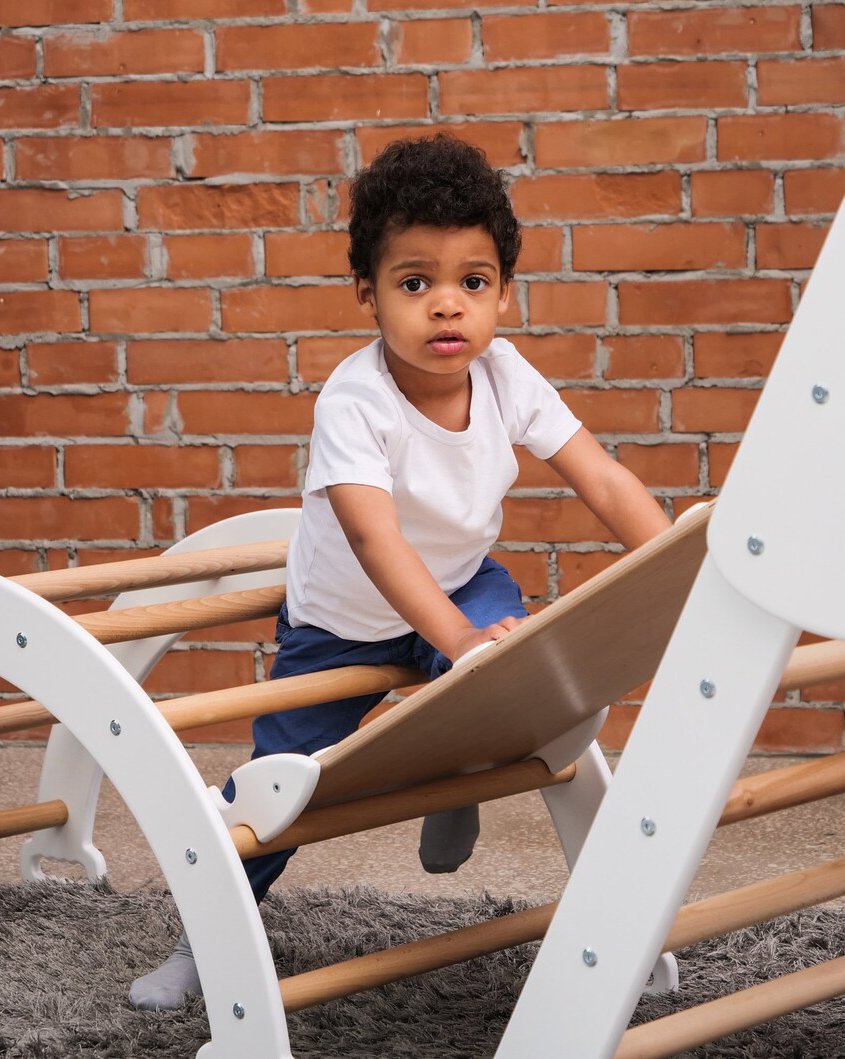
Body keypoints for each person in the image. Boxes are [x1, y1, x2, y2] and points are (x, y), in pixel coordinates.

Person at [129, 133, 671, 1010]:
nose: (446, 307)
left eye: (473, 282)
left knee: (518, 657)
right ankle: (203, 944)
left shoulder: (505, 375)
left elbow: (602, 475)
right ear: (368, 295)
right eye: (415, 283)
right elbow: (378, 542)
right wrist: (453, 641)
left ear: (502, 291)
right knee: (279, 791)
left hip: (461, 583)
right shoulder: (354, 402)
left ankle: (458, 775)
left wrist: (677, 567)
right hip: (340, 619)